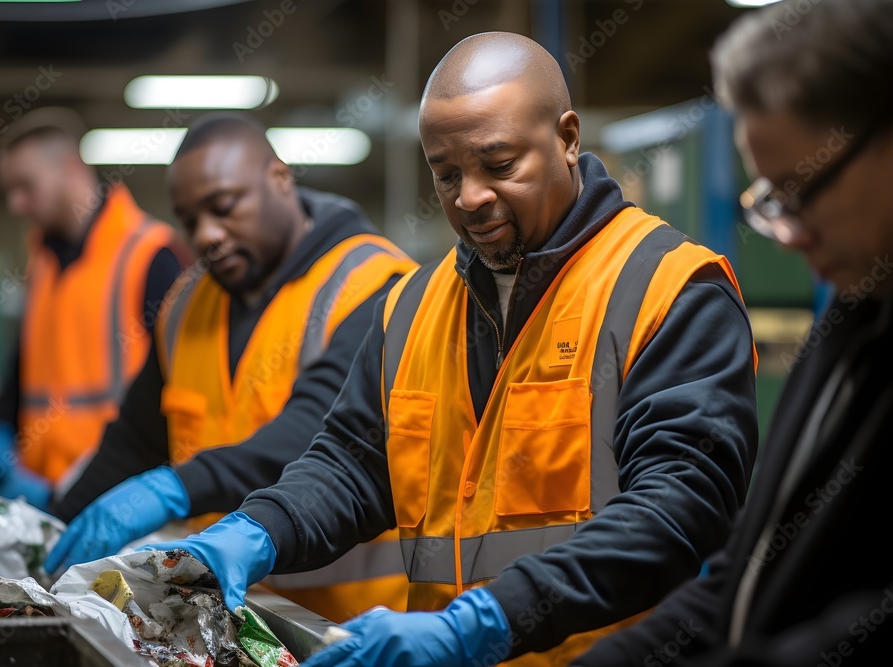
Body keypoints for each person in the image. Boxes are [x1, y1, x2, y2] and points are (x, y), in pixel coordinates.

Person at [142, 33, 761, 667]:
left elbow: (677, 508)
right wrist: (258, 529)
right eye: (446, 174)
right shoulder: (410, 306)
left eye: (498, 165)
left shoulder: (667, 289)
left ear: (568, 139)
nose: (469, 197)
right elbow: (353, 464)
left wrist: (489, 620)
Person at [573, 1, 893, 665]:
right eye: (772, 201)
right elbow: (744, 575)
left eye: (802, 190)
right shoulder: (851, 320)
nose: (791, 234)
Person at [44, 113, 417, 623]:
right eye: (189, 220)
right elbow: (133, 441)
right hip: (225, 623)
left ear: (280, 179)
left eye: (223, 208)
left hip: (349, 628)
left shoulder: (374, 283)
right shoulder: (185, 306)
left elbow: (311, 436)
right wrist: (47, 536)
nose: (207, 235)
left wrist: (176, 487)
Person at [0, 107, 189, 510]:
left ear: (70, 167)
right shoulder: (41, 262)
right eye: (9, 191)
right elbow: (25, 366)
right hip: (37, 500)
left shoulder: (151, 255)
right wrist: (0, 427)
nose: (16, 205)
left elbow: (177, 392)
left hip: (114, 502)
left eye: (25, 186)